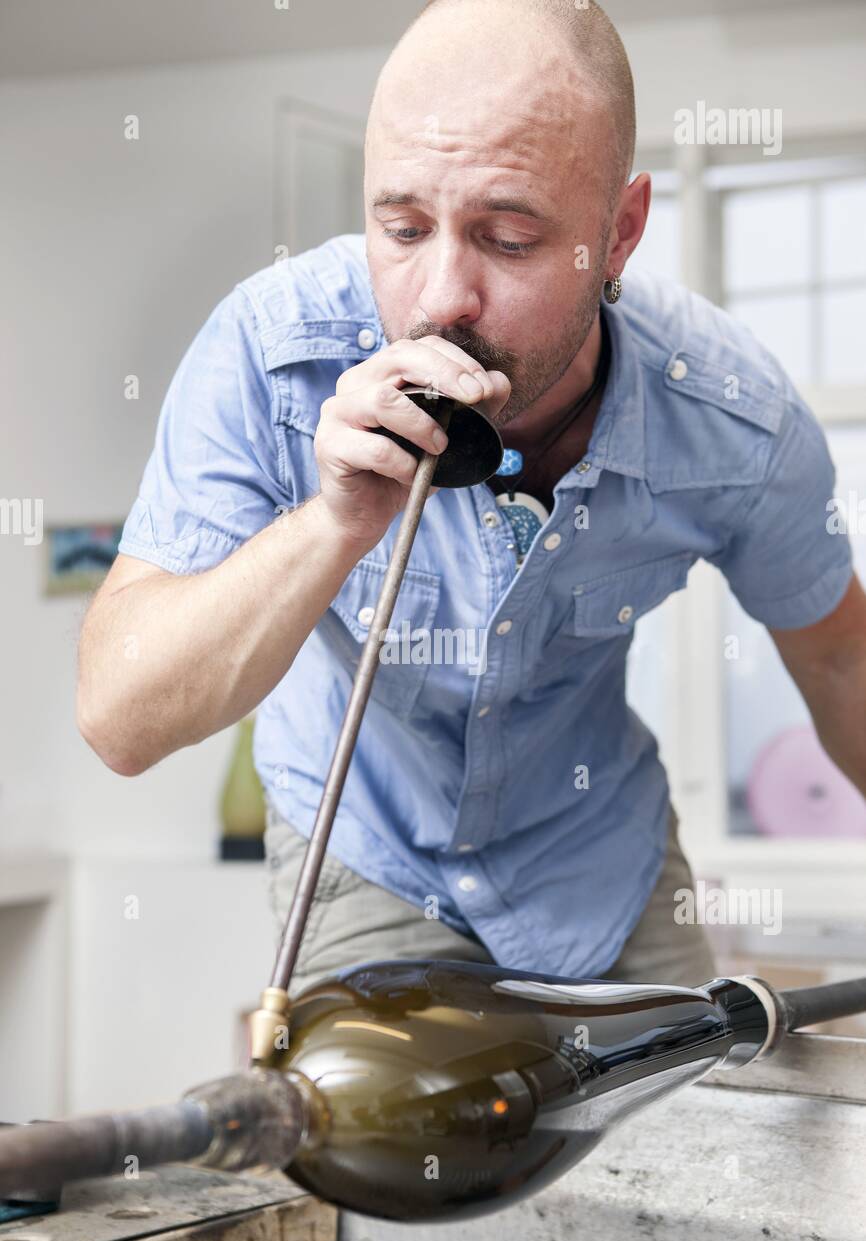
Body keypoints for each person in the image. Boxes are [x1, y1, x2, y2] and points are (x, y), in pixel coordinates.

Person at [77, 0, 865, 996]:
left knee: (688, 1135)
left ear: (616, 233)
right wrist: (334, 521)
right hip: (363, 845)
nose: (440, 295)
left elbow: (841, 658)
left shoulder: (731, 416)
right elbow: (118, 719)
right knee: (366, 1144)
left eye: (506, 238)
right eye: (401, 226)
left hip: (598, 859)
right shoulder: (269, 353)